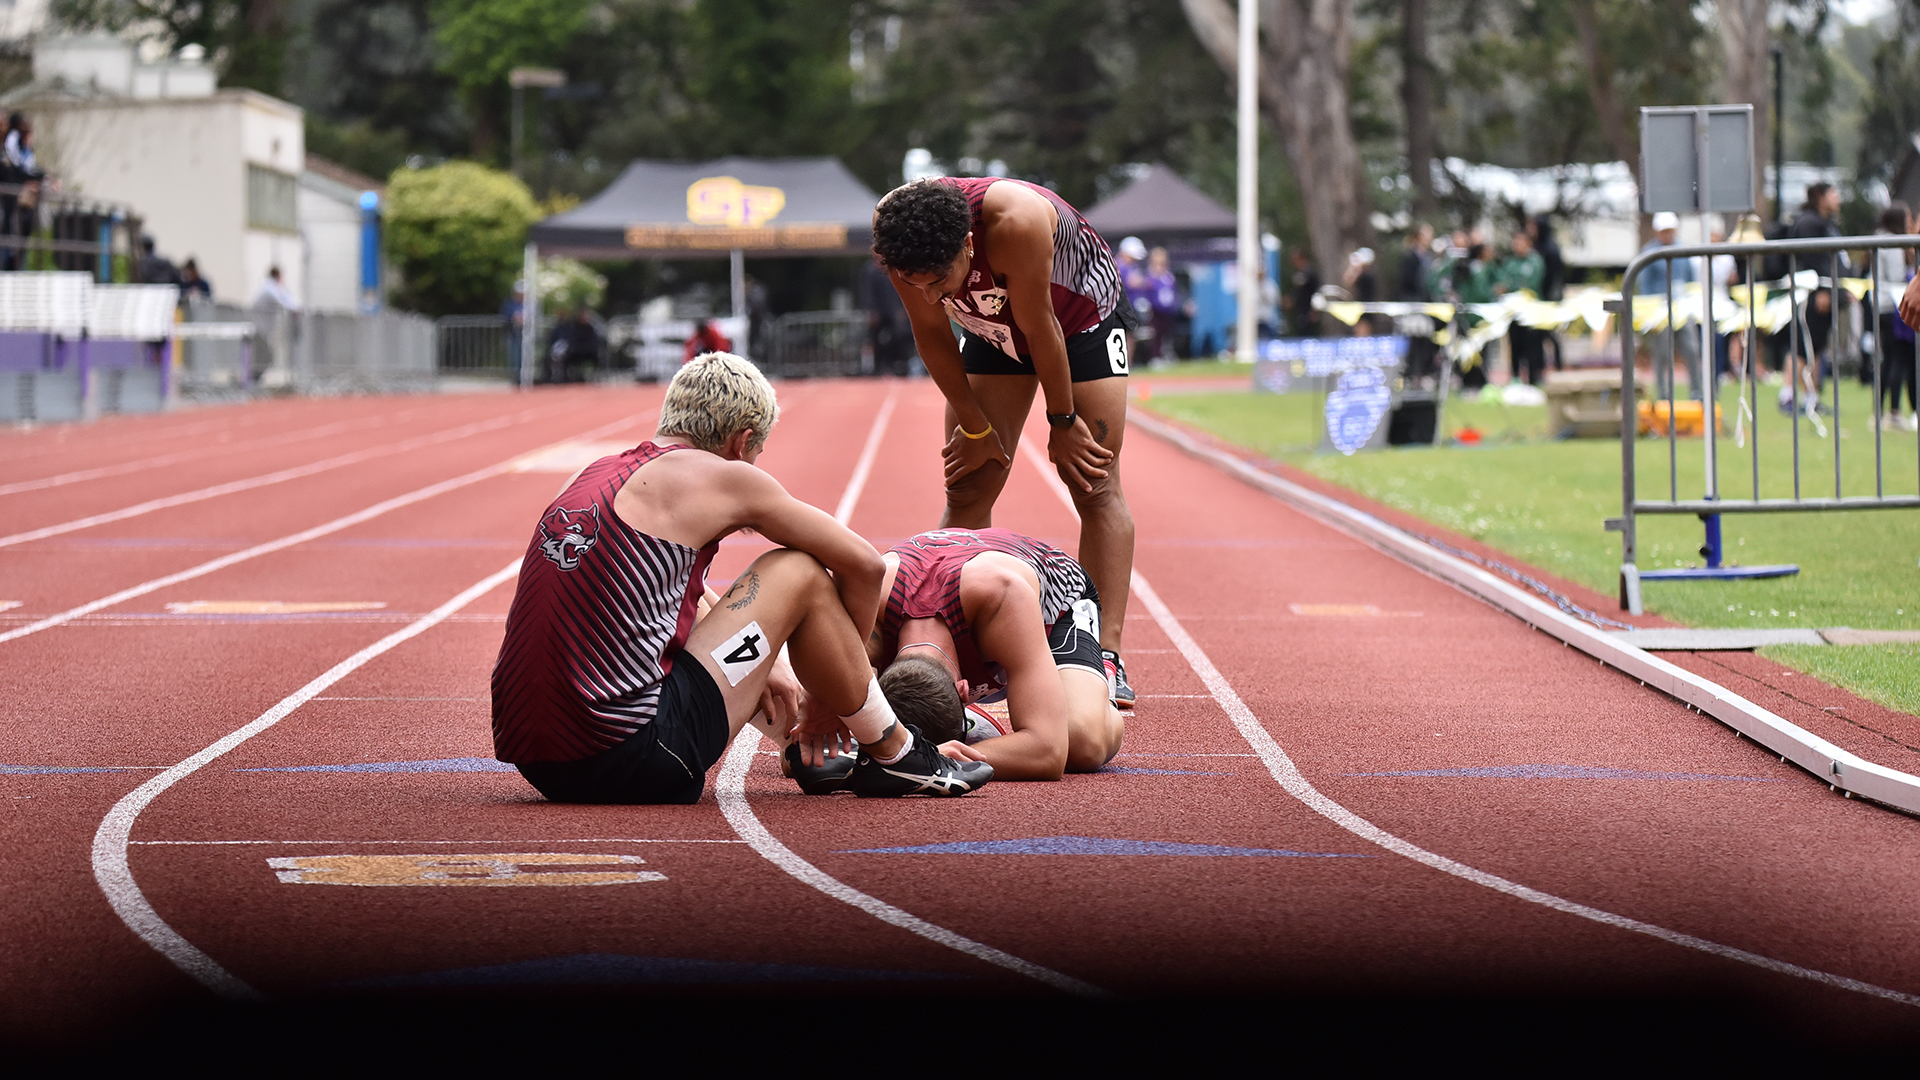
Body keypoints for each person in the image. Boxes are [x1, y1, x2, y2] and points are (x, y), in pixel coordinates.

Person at [492, 352, 992, 803]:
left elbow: (671, 595)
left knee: (735, 609)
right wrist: (830, 698)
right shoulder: (722, 475)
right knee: (798, 570)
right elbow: (864, 564)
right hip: (634, 756)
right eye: (757, 455)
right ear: (743, 441)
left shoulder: (595, 473)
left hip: (538, 761)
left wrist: (764, 657)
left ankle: (808, 750)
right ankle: (895, 752)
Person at [872, 176, 1139, 709]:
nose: (929, 295)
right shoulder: (897, 233)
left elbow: (1042, 328)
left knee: (1092, 481)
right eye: (914, 283)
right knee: (969, 485)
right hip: (990, 324)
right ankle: (951, 646)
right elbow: (931, 332)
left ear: (968, 246)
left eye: (938, 281)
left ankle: (1105, 654)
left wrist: (1062, 422)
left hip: (1076, 318)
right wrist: (975, 429)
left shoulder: (1016, 221)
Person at [851, 527, 1125, 784]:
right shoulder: (863, 620)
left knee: (1083, 744)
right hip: (950, 578)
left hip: (1058, 597)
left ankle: (1103, 675)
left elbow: (1049, 752)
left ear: (965, 691)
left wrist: (927, 759)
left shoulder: (1003, 598)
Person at [1784, 182, 1845, 412]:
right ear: (1820, 196)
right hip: (1812, 293)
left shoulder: (1827, 223)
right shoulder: (1809, 223)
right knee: (1802, 346)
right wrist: (1823, 291)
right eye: (1833, 194)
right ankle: (1787, 395)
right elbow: (1812, 259)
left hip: (1827, 291)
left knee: (1816, 347)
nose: (1838, 198)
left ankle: (1811, 398)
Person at [1634, 211, 1701, 401]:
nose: (1667, 234)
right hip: (1659, 308)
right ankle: (1664, 396)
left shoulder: (1682, 249)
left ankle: (1697, 393)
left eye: (1670, 230)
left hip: (1682, 306)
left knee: (1691, 348)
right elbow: (1644, 284)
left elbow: (1690, 279)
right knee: (1661, 353)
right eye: (1664, 231)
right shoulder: (1649, 252)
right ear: (1657, 231)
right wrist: (1649, 314)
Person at [1873, 204, 1917, 430]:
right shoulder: (1891, 243)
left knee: (1888, 360)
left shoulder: (1879, 239)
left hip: (1882, 305)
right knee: (1898, 361)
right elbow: (1898, 275)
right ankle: (1894, 412)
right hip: (1892, 306)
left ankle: (1880, 412)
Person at [1497, 231, 1545, 385]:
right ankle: (1515, 377)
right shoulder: (1510, 263)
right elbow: (1503, 282)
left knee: (1532, 345)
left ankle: (1534, 377)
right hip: (1513, 311)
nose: (1517, 246)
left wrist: (1513, 287)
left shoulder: (1535, 261)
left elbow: (1531, 284)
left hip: (1530, 311)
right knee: (1515, 344)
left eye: (1520, 242)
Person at [1283, 247, 1322, 337]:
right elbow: (1298, 292)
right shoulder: (1298, 273)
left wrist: (1315, 310)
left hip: (1309, 311)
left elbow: (1317, 291)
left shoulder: (1310, 272)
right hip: (1300, 310)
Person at [501, 282, 525, 384]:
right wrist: (513, 318)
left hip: (526, 336)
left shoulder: (529, 304)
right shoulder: (509, 304)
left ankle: (524, 377)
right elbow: (504, 316)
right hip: (513, 334)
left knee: (524, 356)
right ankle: (516, 378)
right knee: (514, 356)